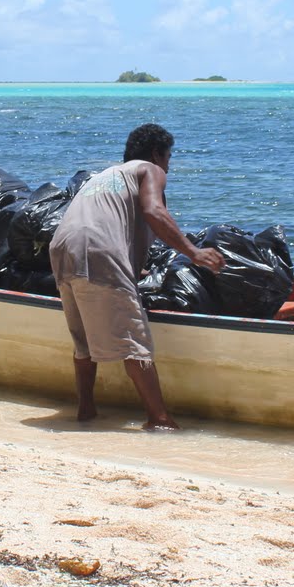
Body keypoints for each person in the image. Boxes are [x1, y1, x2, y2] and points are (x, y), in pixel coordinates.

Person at [49, 123, 224, 430]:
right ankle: (159, 420)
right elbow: (154, 212)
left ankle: (86, 412)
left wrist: (133, 268)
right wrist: (193, 252)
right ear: (157, 154)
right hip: (97, 248)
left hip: (62, 248)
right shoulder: (150, 170)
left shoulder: (104, 177)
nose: (169, 165)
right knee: (135, 341)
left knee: (84, 342)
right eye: (168, 156)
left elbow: (113, 221)